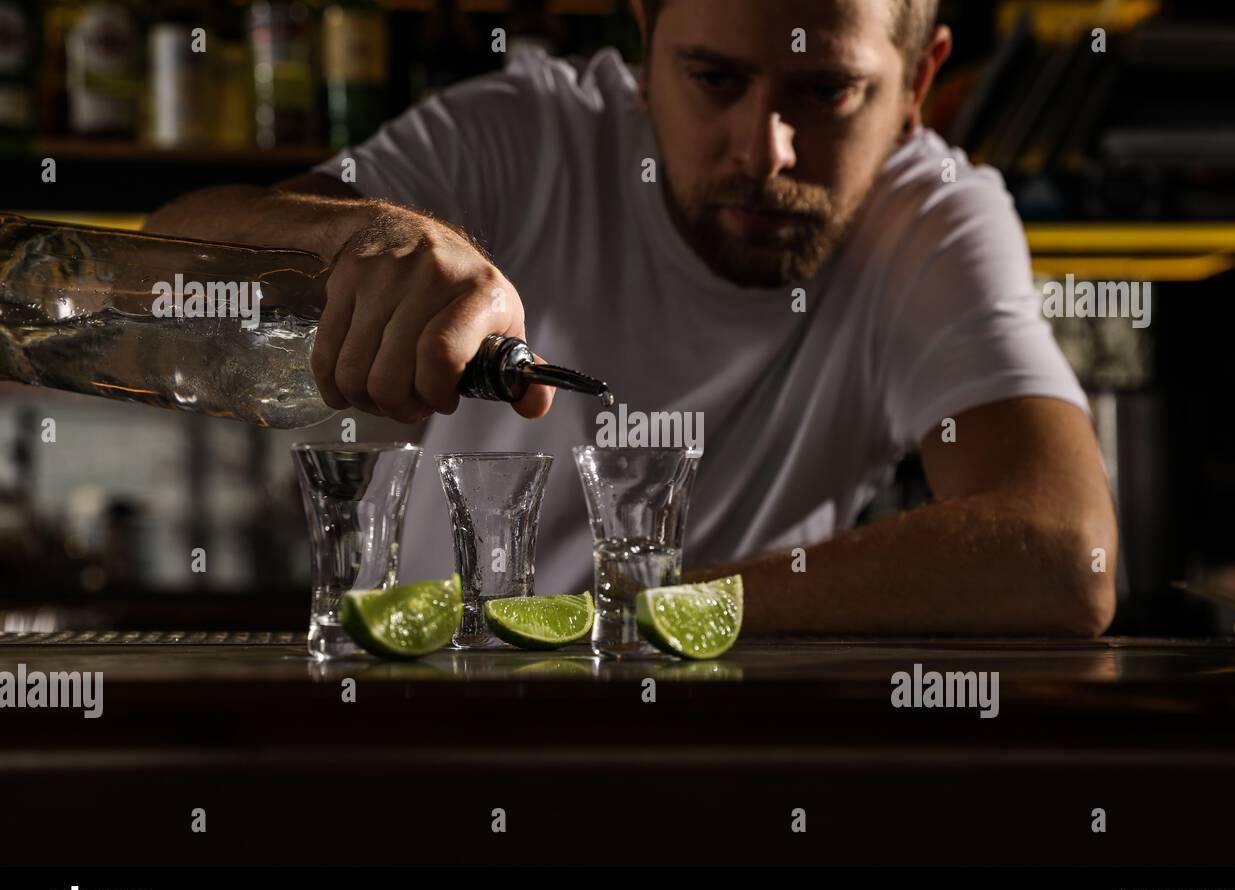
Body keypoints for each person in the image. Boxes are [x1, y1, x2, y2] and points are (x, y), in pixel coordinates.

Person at [145, 0, 1117, 637]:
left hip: (723, 771)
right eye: (713, 80)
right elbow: (160, 272)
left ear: (915, 84)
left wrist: (635, 620)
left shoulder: (935, 214)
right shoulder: (523, 135)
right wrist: (366, 239)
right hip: (434, 742)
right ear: (645, 48)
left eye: (825, 91)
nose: (764, 152)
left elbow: (1067, 553)